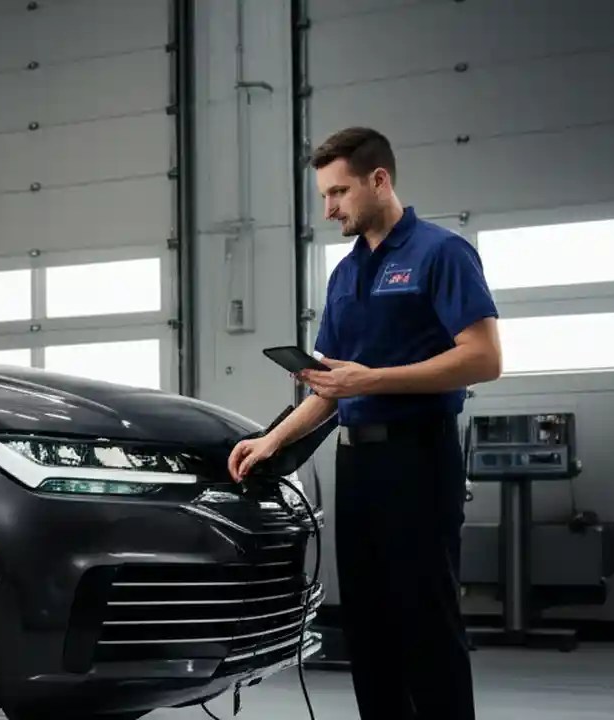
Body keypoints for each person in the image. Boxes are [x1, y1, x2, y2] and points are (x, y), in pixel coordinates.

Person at [227, 126, 502, 720]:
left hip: (419, 459)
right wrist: (269, 440)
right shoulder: (344, 275)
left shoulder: (441, 253)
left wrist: (368, 380)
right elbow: (330, 387)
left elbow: (484, 358)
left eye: (339, 193)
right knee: (370, 628)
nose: (329, 209)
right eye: (324, 196)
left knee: (426, 623)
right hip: (356, 465)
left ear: (380, 180)